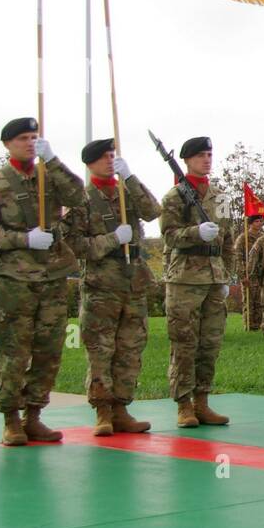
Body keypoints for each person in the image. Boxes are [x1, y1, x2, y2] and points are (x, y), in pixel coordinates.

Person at [0, 117, 84, 445]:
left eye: (34, 136)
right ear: (7, 144)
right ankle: (10, 419)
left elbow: (78, 196)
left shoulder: (50, 175)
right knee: (14, 350)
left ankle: (34, 416)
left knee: (49, 350)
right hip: (14, 279)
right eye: (23, 138)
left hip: (52, 276)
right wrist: (23, 240)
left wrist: (54, 160)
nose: (30, 142)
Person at [67, 138, 159, 436]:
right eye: (105, 157)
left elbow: (152, 210)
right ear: (90, 163)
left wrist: (130, 177)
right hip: (101, 285)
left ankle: (121, 408)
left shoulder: (126, 192)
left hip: (132, 281)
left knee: (130, 348)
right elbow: (74, 245)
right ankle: (103, 411)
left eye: (113, 155)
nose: (110, 160)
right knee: (101, 349)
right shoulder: (82, 199)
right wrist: (111, 240)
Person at [159, 136, 234, 428]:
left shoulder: (221, 197)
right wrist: (195, 233)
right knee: (184, 343)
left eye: (209, 154)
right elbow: (169, 235)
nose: (207, 159)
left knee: (210, 343)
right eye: (201, 155)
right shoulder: (174, 197)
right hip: (185, 278)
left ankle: (202, 401)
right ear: (187, 160)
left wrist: (228, 274)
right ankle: (184, 404)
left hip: (215, 277)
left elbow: (228, 241)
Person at [237, 213, 264, 331]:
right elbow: (238, 257)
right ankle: (249, 325)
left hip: (260, 273)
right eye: (256, 221)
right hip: (248, 273)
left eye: (260, 221)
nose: (259, 223)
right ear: (250, 224)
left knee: (260, 300)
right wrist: (242, 275)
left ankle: (258, 325)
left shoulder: (263, 237)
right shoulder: (243, 238)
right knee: (249, 301)